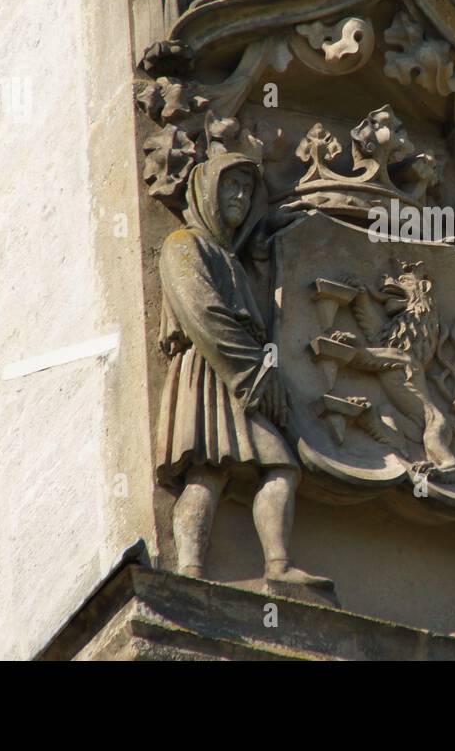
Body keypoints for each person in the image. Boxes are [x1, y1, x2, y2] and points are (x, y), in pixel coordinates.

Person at [155, 153, 332, 590]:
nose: (239, 196)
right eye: (230, 186)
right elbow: (205, 315)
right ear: (206, 192)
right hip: (212, 368)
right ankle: (192, 570)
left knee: (281, 467)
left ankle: (277, 565)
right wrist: (254, 374)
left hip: (245, 372)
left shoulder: (231, 257)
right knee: (207, 473)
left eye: (247, 190)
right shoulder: (183, 244)